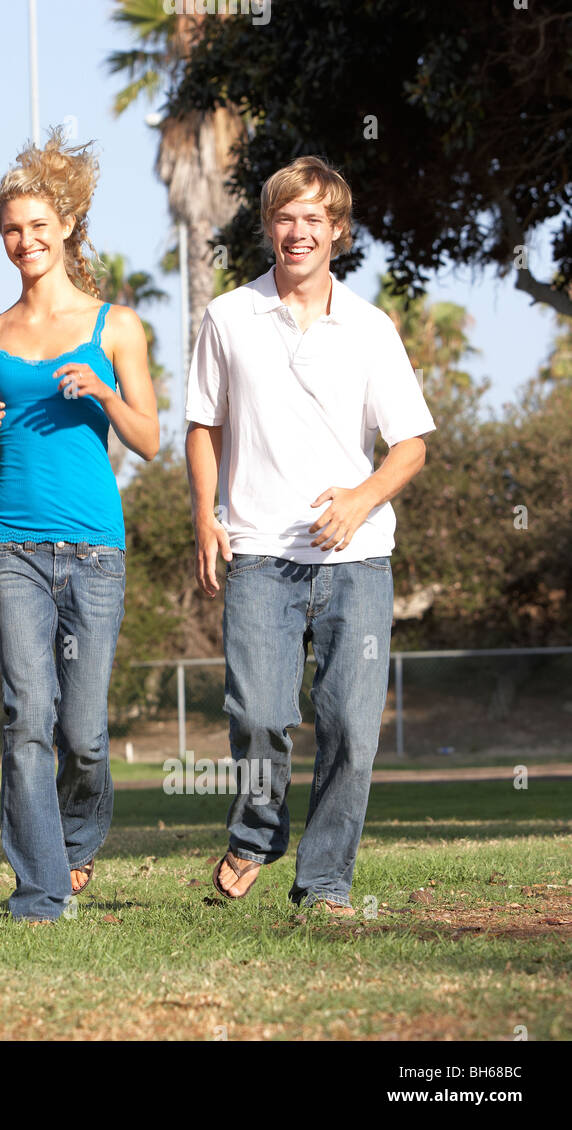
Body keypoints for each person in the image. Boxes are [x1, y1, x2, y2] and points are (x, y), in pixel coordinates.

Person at [186, 155, 435, 915]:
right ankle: (259, 832)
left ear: (339, 232)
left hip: (356, 562)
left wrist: (362, 499)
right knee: (259, 715)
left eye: (315, 219)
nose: (299, 231)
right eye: (286, 217)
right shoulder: (228, 316)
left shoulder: (369, 327)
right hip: (260, 554)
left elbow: (411, 445)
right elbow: (203, 426)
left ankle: (325, 884)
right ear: (269, 227)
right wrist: (206, 514)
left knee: (351, 729)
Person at [0, 131, 159, 923]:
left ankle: (76, 844)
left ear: (68, 227)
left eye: (39, 226)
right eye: (13, 229)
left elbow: (149, 437)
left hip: (96, 549)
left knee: (82, 731)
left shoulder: (116, 327)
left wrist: (105, 397)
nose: (25, 241)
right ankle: (39, 887)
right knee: (27, 718)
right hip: (14, 542)